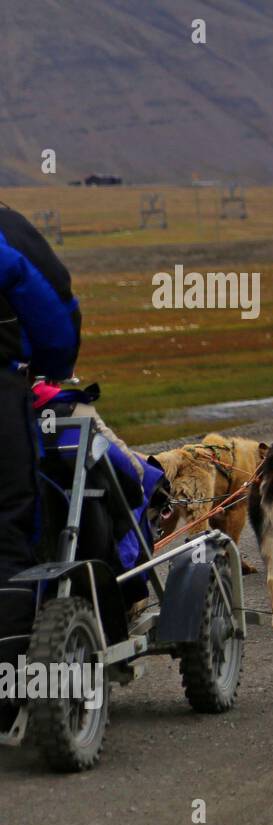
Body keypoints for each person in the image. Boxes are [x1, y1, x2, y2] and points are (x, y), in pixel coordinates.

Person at [0, 205, 81, 733]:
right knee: (7, 525)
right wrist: (53, 372)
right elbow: (54, 310)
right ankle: (5, 693)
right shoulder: (7, 233)